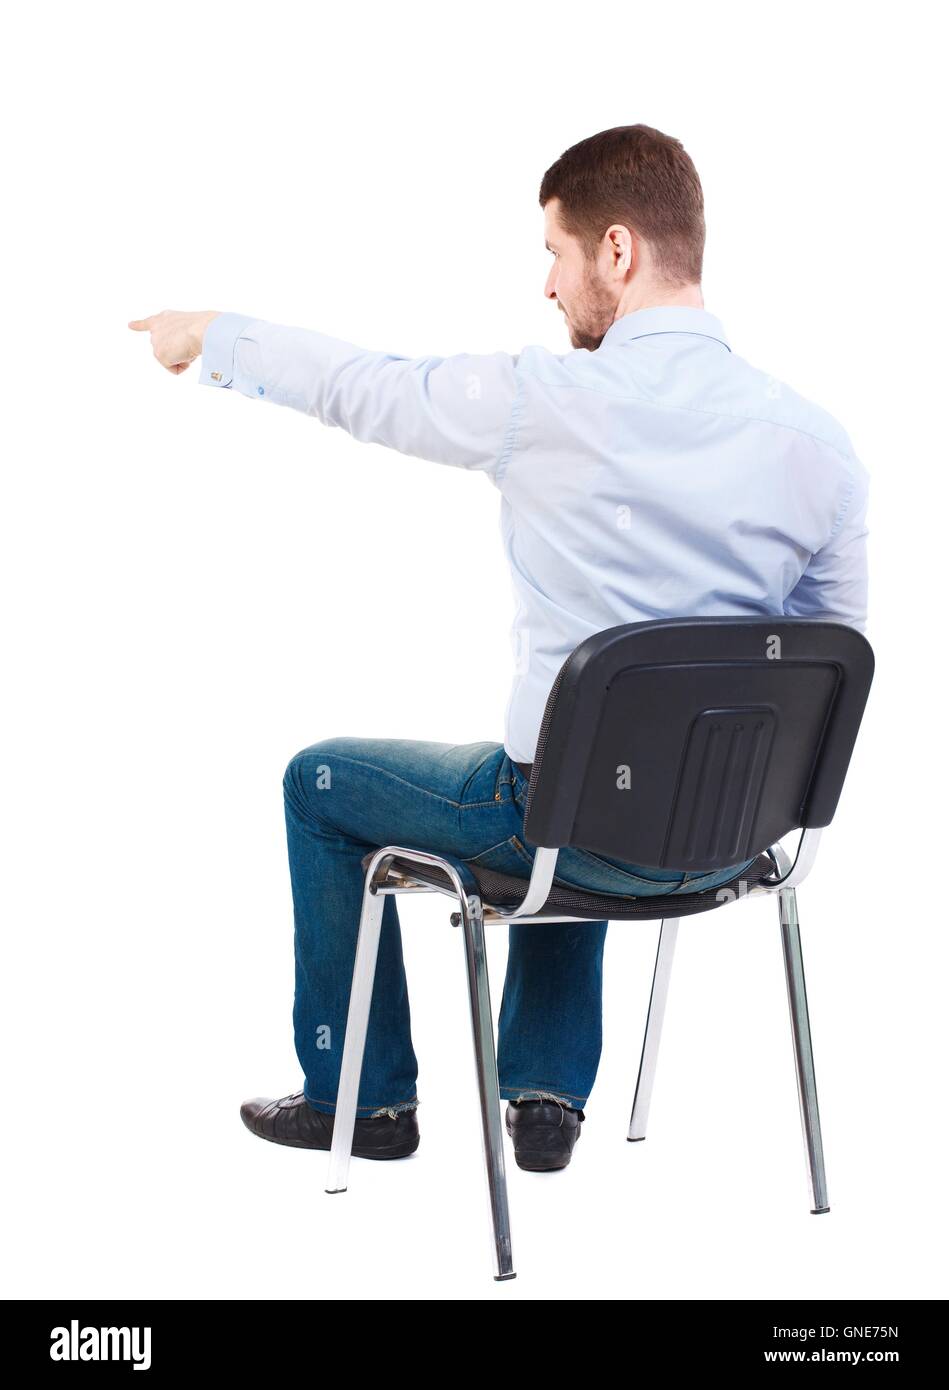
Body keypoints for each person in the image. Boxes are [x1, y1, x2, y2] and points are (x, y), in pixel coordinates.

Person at [128, 123, 869, 1173]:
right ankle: (546, 1089)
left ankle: (361, 1101)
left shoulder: (545, 400)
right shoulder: (819, 444)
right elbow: (831, 658)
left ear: (616, 251)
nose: (548, 287)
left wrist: (212, 333)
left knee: (326, 782)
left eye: (555, 255)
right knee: (606, 764)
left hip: (565, 831)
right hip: (735, 843)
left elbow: (368, 387)